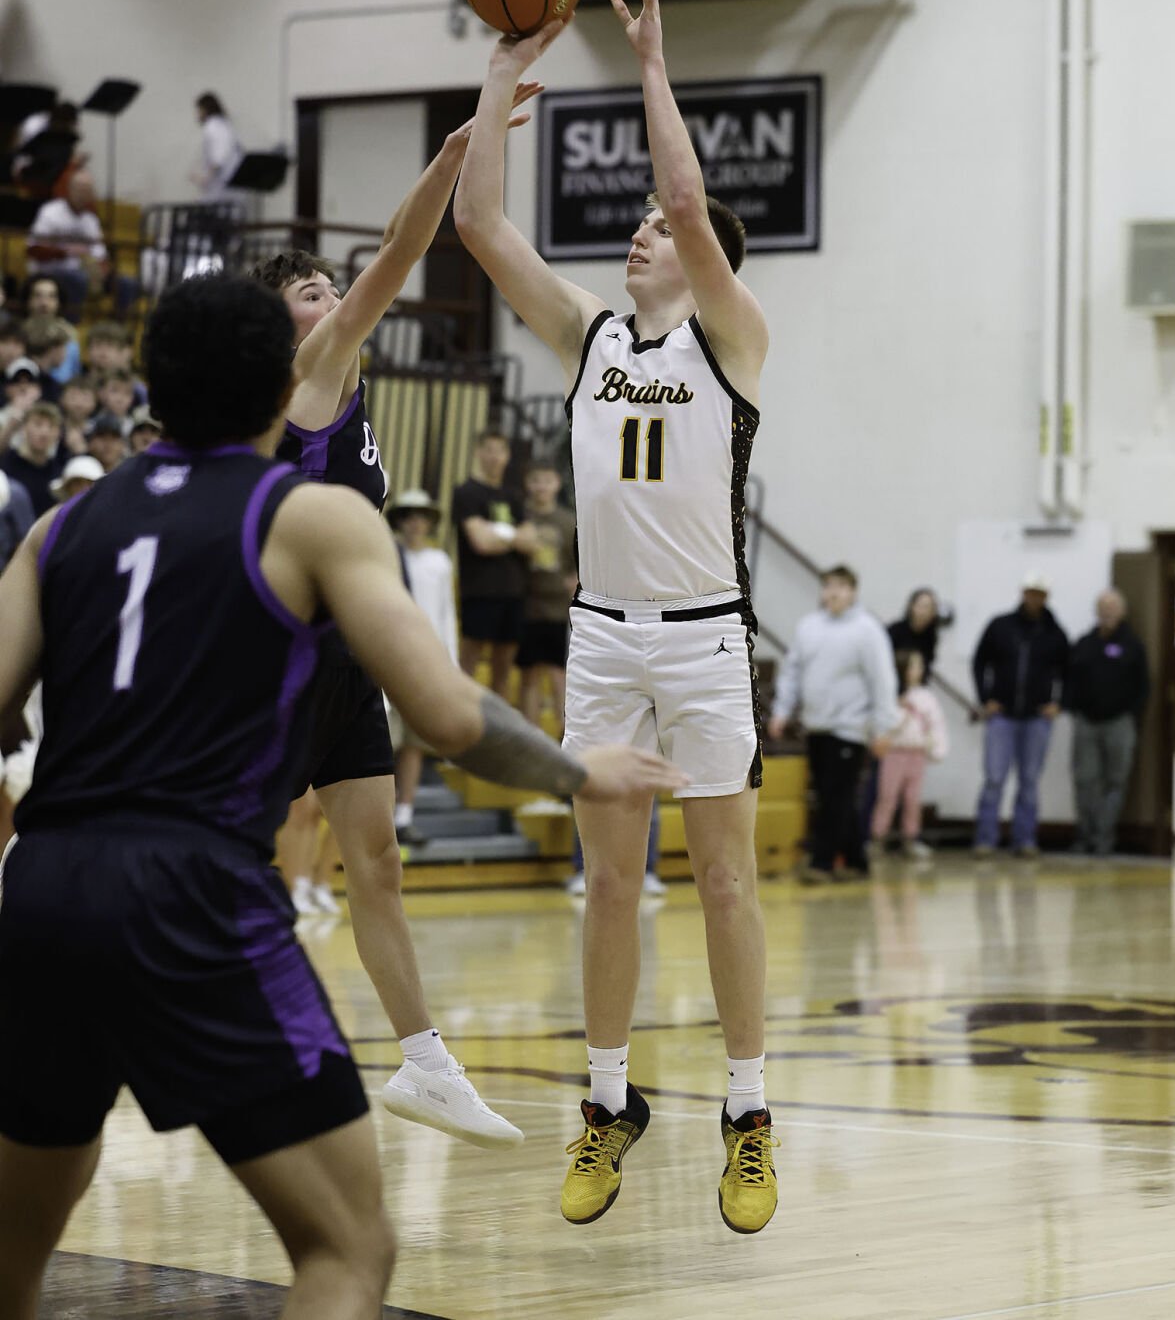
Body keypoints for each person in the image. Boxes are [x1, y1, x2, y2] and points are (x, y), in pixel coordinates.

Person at [0, 272, 680, 1320]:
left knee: (14, 1248)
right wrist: (580, 768)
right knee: (348, 1247)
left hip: (40, 889)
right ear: (284, 380)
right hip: (195, 891)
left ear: (151, 385)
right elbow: (450, 718)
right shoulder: (310, 514)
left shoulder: (62, 529)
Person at [454, 0, 780, 1235]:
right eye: (640, 226)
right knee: (605, 882)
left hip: (704, 643)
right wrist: (499, 70)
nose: (645, 229)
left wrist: (650, 64)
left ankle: (747, 1113)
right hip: (599, 637)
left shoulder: (735, 344)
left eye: (660, 230)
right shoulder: (592, 340)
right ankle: (606, 1104)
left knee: (725, 883)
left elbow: (695, 204)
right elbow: (484, 228)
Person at [256, 77, 540, 1150]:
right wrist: (456, 155)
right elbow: (399, 251)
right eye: (315, 294)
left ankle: (426, 1063)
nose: (338, 304)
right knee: (224, 864)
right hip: (279, 661)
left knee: (373, 859)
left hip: (346, 663)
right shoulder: (307, 374)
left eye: (333, 292)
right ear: (285, 325)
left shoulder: (346, 382)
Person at [769, 566, 897, 882]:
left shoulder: (868, 630)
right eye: (828, 586)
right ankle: (856, 861)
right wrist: (782, 710)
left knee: (835, 796)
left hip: (850, 728)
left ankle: (821, 862)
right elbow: (792, 671)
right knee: (835, 795)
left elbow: (882, 680)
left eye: (841, 586)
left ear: (853, 591)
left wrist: (884, 727)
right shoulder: (809, 627)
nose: (834, 592)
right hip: (817, 726)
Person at [971, 573, 1070, 858]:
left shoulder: (1054, 633)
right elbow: (980, 661)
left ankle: (1025, 839)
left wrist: (1058, 703)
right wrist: (985, 698)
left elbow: (1068, 672)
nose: (1034, 598)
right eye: (1030, 592)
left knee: (1029, 781)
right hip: (1001, 717)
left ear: (1046, 597)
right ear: (1022, 593)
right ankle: (985, 839)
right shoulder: (1000, 626)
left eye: (1040, 593)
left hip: (1037, 719)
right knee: (994, 778)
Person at [386, 489, 457, 846]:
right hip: (389, 656)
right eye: (409, 515)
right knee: (385, 739)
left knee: (413, 743)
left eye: (421, 516)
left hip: (425, 662)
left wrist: (450, 666)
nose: (415, 523)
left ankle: (404, 815)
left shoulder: (440, 563)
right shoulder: (387, 556)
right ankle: (382, 815)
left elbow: (446, 615)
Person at [452, 429, 535, 698]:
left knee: (503, 670)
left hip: (513, 592)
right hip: (479, 591)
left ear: (507, 456)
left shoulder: (514, 497)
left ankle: (495, 736)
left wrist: (497, 531)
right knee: (469, 666)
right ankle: (461, 731)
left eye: (499, 451)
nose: (494, 457)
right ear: (478, 453)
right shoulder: (467, 493)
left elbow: (532, 544)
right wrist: (513, 535)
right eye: (488, 450)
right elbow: (481, 543)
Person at [1066, 589, 1149, 857]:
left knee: (1116, 781)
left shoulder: (1133, 646)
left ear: (1122, 612)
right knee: (1085, 780)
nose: (1108, 613)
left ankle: (1104, 837)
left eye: (1113, 608)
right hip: (1086, 723)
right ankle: (1085, 835)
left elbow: (1143, 685)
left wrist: (1130, 713)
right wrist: (1073, 708)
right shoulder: (1085, 643)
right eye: (1103, 607)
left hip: (1119, 723)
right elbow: (1071, 678)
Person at [516, 459, 577, 733]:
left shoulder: (567, 520)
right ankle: (531, 736)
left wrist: (574, 580)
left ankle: (566, 734)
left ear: (557, 483)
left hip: (557, 607)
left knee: (557, 673)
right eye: (536, 480)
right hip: (526, 604)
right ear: (528, 484)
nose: (541, 487)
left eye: (547, 480)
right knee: (529, 674)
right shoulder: (521, 515)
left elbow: (577, 561)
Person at [870, 649, 948, 858]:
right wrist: (900, 710)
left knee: (913, 799)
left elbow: (936, 725)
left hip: (917, 754)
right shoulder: (890, 695)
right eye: (914, 666)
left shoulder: (926, 697)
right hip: (894, 752)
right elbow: (883, 724)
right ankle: (878, 838)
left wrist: (937, 748)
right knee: (887, 797)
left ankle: (910, 839)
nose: (918, 670)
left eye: (920, 666)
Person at [25, 169, 109, 321]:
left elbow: (100, 254)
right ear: (69, 189)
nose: (83, 193)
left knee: (126, 283)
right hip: (49, 270)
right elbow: (33, 249)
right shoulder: (51, 212)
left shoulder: (91, 219)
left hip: (80, 269)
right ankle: (72, 324)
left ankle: (114, 328)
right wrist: (66, 252)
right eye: (79, 188)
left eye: (87, 190)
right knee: (78, 279)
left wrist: (103, 270)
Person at [1, 402, 65, 514]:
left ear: (58, 433)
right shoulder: (7, 463)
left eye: (51, 426)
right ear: (24, 428)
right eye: (38, 424)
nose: (44, 432)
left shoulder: (59, 472)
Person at [190, 92, 244, 201]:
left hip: (222, 189)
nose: (197, 115)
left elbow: (219, 159)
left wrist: (204, 178)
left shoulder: (212, 127)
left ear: (204, 110)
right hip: (232, 186)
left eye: (198, 110)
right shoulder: (226, 126)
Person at [888, 588, 941, 687]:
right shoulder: (894, 631)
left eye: (929, 608)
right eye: (921, 606)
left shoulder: (931, 636)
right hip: (892, 684)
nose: (923, 612)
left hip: (916, 688)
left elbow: (926, 667)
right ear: (911, 607)